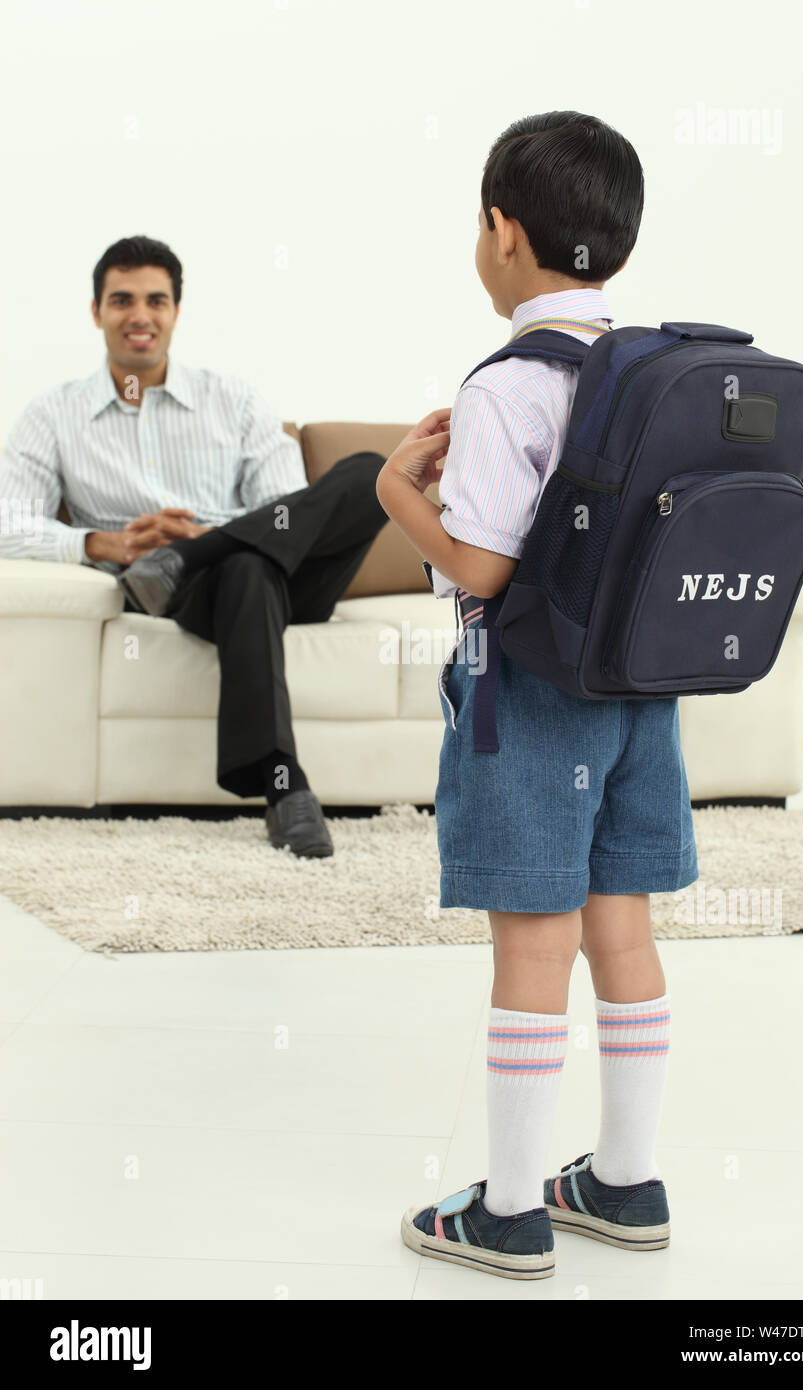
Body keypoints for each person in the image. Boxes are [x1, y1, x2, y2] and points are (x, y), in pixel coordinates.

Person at [376, 111, 699, 1280]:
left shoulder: (509, 382)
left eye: (479, 218)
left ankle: (508, 1209)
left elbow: (479, 568)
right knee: (621, 925)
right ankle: (625, 1176)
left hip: (530, 696)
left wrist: (388, 488)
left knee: (532, 940)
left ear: (503, 232)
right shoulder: (654, 373)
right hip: (636, 695)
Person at [0, 235, 391, 857]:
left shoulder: (234, 401)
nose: (139, 315)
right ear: (96, 311)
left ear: (176, 312)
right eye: (121, 299)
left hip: (285, 576)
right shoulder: (53, 415)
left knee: (372, 470)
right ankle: (284, 789)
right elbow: (9, 523)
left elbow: (290, 513)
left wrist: (203, 538)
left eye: (156, 300)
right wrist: (112, 544)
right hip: (184, 592)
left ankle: (196, 553)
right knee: (244, 567)